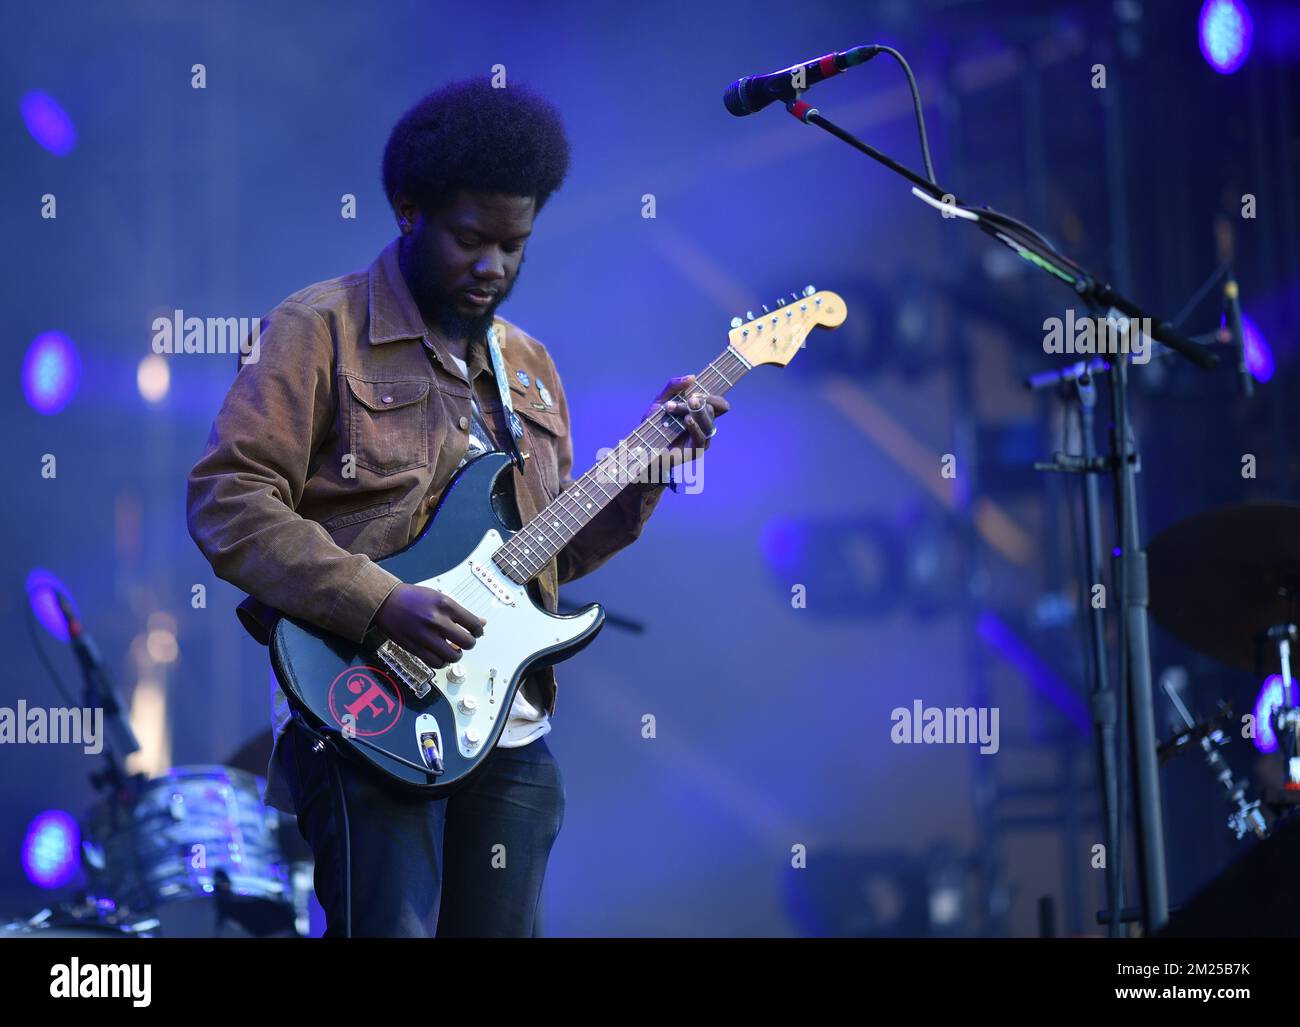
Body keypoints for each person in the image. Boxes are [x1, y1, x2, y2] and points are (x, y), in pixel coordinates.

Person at [185, 77, 728, 937]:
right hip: (367, 707)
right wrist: (379, 602)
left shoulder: (530, 366)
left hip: (506, 731)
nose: (495, 267)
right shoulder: (318, 328)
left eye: (516, 245)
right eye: (472, 239)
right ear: (408, 210)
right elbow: (229, 500)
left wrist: (651, 469)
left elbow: (548, 556)